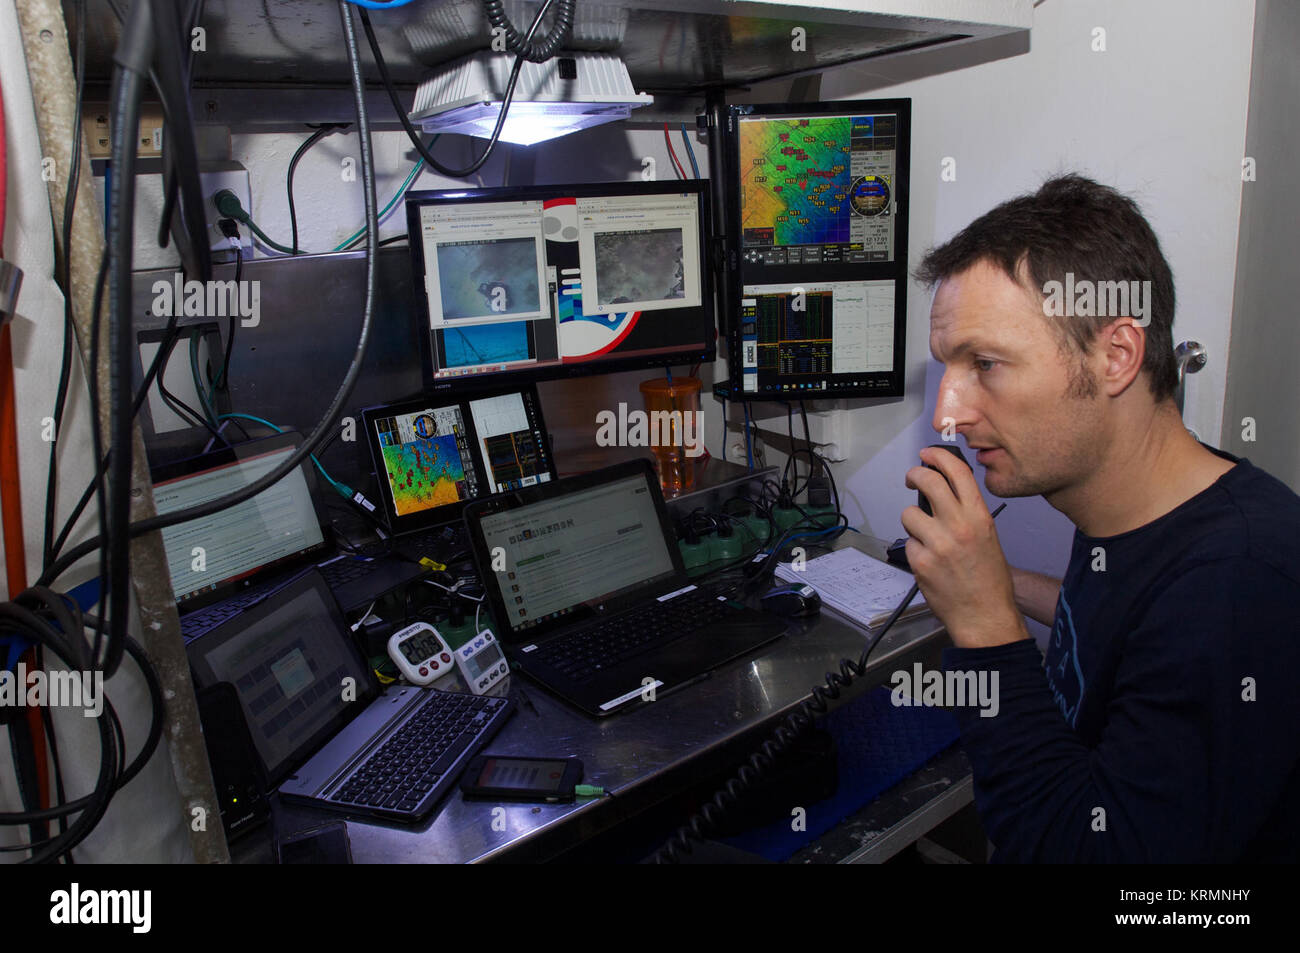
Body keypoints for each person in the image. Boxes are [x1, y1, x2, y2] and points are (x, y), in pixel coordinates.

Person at [903, 173, 1300, 861]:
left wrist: (986, 626)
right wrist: (998, 581)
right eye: (948, 367)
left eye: (987, 363)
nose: (949, 413)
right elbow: (1128, 626)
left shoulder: (1240, 580)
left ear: (1116, 355)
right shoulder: (1143, 508)